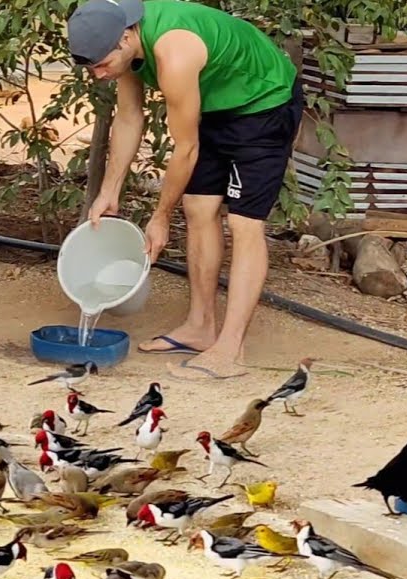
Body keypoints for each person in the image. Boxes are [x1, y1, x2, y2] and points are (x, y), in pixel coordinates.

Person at [67, 0, 302, 380]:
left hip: (264, 103)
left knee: (243, 223)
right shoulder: (125, 46)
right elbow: (128, 118)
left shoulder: (173, 51)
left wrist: (160, 218)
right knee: (197, 208)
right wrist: (109, 190)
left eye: (101, 64)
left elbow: (186, 149)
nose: (97, 74)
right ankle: (200, 325)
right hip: (215, 105)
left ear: (126, 38)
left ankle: (230, 349)